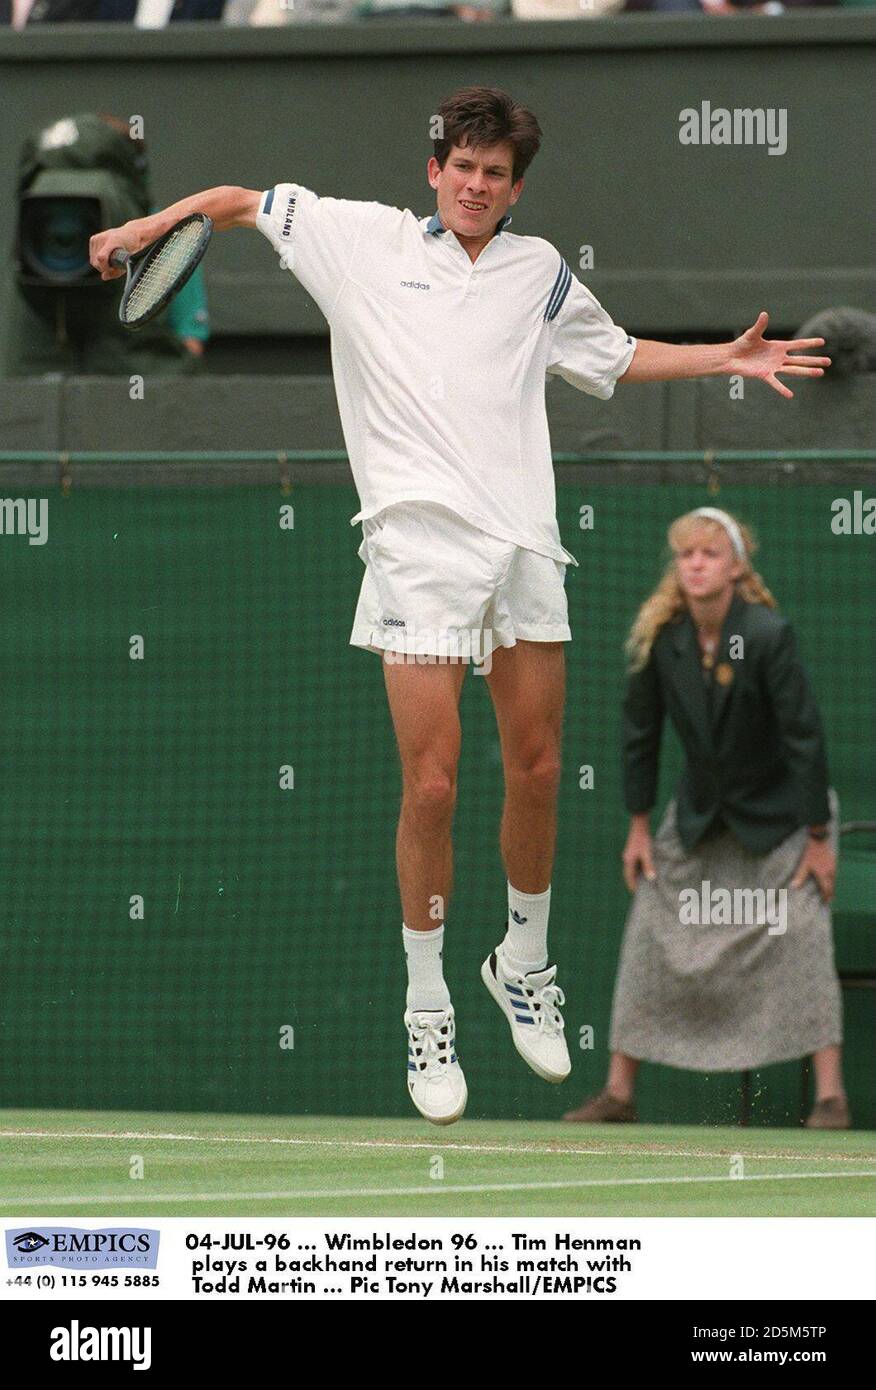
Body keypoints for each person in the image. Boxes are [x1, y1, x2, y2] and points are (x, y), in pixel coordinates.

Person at [89, 87, 829, 1126]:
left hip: (523, 539)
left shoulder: (539, 275)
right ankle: (427, 997)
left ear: (515, 189)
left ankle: (521, 959)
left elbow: (614, 360)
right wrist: (144, 224)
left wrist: (727, 356)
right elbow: (238, 201)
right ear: (434, 169)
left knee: (533, 768)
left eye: (497, 174)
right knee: (431, 787)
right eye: (463, 166)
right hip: (414, 546)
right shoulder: (358, 240)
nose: (477, 184)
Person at [563, 508, 850, 1129]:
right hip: (697, 817)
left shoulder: (769, 635)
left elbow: (805, 738)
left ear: (737, 568)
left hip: (781, 818)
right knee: (648, 928)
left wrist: (819, 839)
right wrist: (639, 827)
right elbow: (640, 737)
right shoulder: (662, 641)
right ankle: (618, 1092)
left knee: (802, 931)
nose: (695, 564)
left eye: (710, 554)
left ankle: (829, 1096)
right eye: (686, 554)